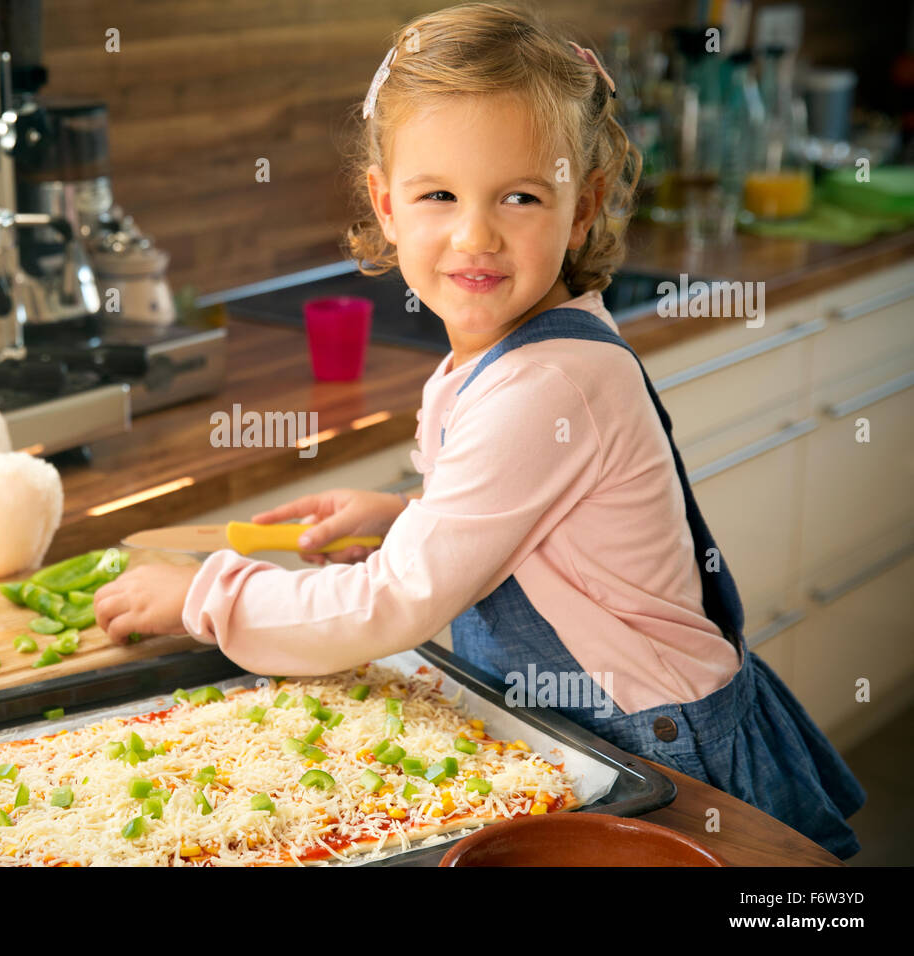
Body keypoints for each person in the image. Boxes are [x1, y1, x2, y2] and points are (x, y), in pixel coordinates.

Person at [94, 1, 865, 858]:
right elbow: (527, 519)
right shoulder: (503, 358)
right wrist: (403, 513)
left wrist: (205, 595)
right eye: (438, 195)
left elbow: (392, 605)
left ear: (582, 208)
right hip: (602, 727)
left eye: (520, 196)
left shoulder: (547, 381)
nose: (475, 234)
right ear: (387, 205)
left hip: (654, 750)